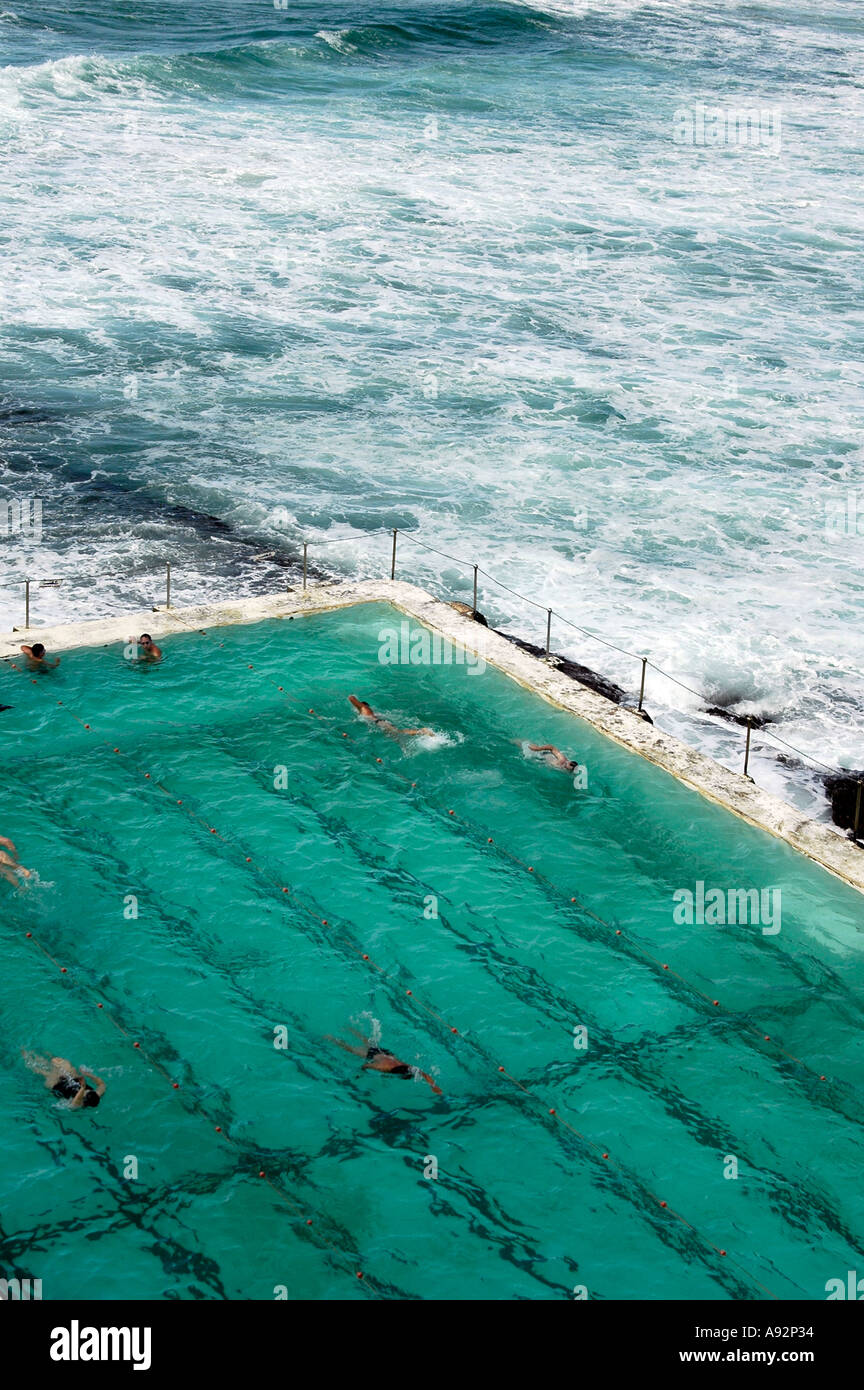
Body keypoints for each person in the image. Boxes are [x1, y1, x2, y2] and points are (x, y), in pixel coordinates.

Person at [328, 1030, 442, 1095]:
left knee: (367, 1041)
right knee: (350, 1049)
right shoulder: (384, 1068)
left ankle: (350, 1029)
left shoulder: (408, 1067)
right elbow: (366, 1065)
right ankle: (331, 1038)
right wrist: (361, 1073)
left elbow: (424, 1074)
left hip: (386, 1053)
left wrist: (433, 1086)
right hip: (375, 1056)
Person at [22, 1051, 106, 1110]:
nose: (88, 1090)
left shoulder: (78, 1105)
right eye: (88, 1090)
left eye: (86, 1092)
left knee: (40, 1069)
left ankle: (23, 1053)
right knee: (59, 1061)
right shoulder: (95, 1095)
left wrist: (83, 1087)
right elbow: (102, 1084)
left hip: (57, 1085)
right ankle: (45, 1052)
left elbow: (75, 1101)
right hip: (72, 1078)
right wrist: (88, 1074)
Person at [348, 695, 432, 738]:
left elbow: (351, 698)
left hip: (379, 723)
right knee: (394, 736)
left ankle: (422, 731)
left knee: (398, 732)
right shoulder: (369, 711)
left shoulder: (363, 707)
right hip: (379, 723)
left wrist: (356, 703)